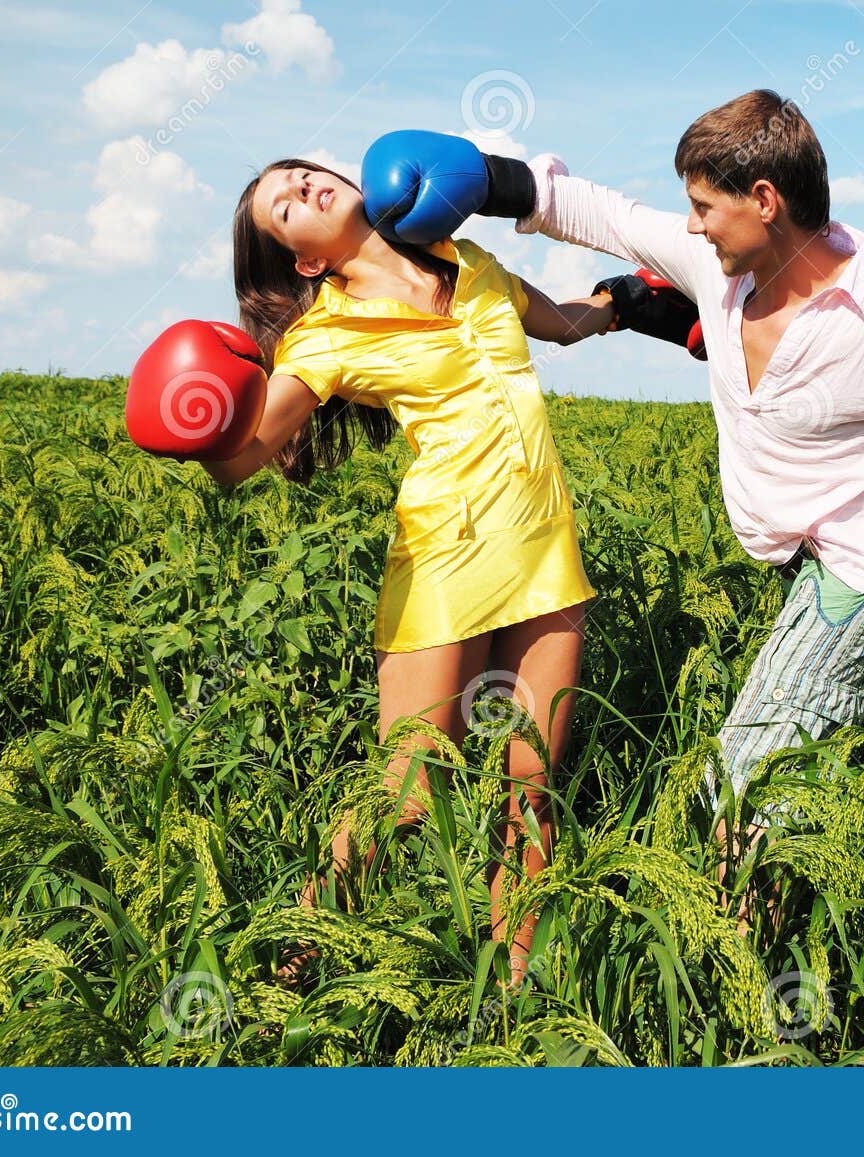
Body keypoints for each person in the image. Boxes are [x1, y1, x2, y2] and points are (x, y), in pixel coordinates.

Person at [363, 90, 864, 930]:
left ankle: (728, 976)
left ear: (764, 201)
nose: (691, 227)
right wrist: (490, 179)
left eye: (704, 207)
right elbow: (605, 214)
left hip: (860, 576)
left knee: (742, 778)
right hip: (809, 562)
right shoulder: (722, 276)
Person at [154, 155, 618, 986]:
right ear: (304, 259)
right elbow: (248, 454)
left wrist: (631, 300)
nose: (303, 189)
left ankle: (518, 996)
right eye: (285, 205)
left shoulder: (466, 259)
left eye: (301, 174)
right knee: (405, 796)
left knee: (531, 791)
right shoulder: (324, 334)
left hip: (545, 543)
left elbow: (565, 324)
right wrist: (190, 420)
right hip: (446, 556)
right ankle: (286, 979)